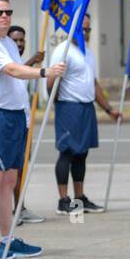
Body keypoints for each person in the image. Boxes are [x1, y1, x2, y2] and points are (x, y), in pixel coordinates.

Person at [0, 0, 64, 259]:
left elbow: (16, 72)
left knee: (10, 180)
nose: (4, 16)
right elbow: (12, 70)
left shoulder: (9, 43)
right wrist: (44, 72)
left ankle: (7, 236)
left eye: (8, 12)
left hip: (14, 117)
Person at [46, 12, 121, 214]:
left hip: (86, 107)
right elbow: (51, 81)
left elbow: (93, 83)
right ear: (72, 28)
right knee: (68, 152)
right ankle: (63, 200)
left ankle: (80, 198)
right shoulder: (63, 51)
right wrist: (56, 105)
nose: (86, 33)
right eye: (82, 28)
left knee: (82, 153)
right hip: (69, 107)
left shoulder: (87, 53)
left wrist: (108, 109)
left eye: (88, 29)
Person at [6, 24, 45, 226]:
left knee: (21, 168)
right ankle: (4, 211)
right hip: (8, 123)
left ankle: (19, 207)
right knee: (8, 170)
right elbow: (15, 73)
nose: (19, 44)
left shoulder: (21, 61)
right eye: (15, 40)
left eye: (22, 40)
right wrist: (34, 62)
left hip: (24, 122)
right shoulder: (6, 60)